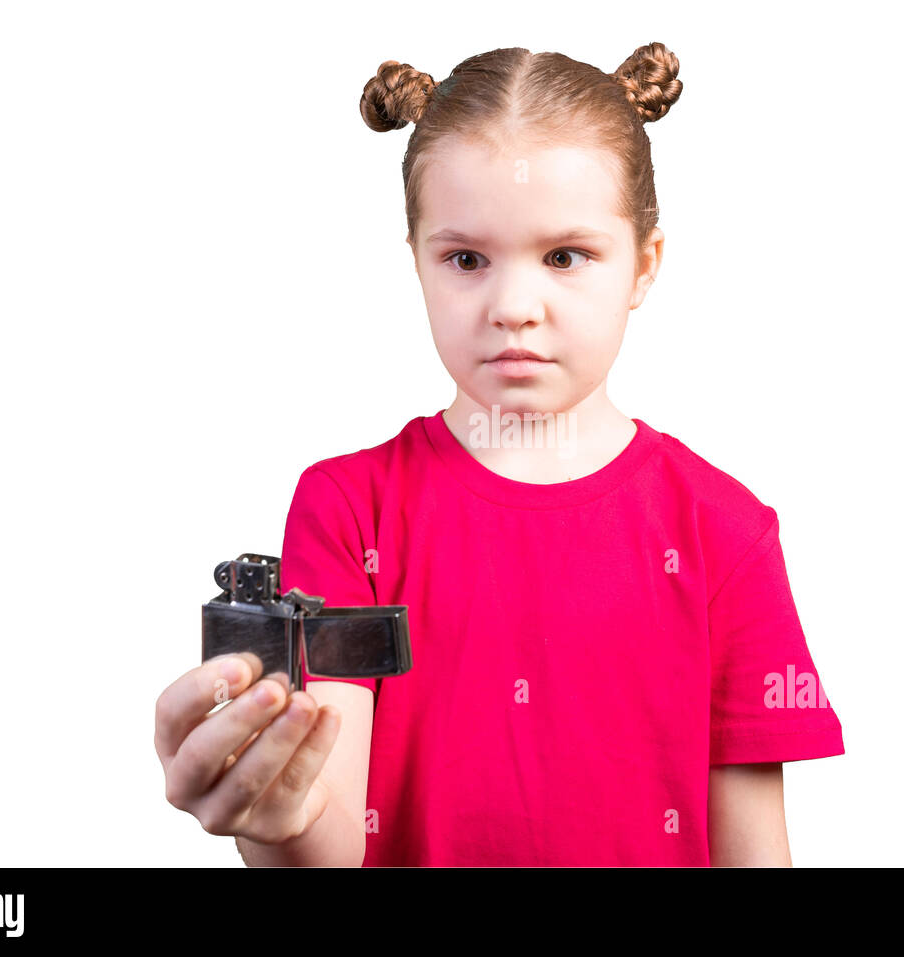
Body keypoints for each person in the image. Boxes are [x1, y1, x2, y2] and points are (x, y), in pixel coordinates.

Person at [156, 42, 845, 867]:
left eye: (565, 256)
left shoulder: (726, 530)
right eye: (467, 259)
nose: (515, 306)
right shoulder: (348, 508)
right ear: (417, 261)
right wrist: (272, 811)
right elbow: (325, 837)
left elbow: (755, 852)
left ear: (644, 265)